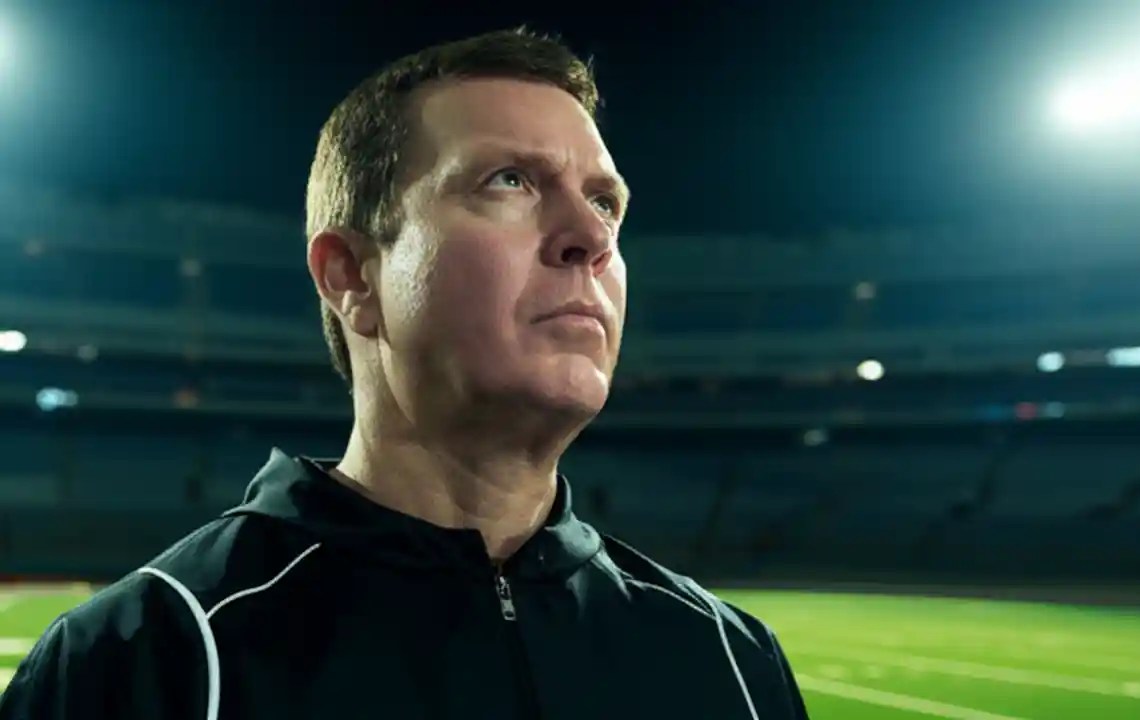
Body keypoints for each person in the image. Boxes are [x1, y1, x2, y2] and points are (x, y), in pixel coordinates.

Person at [0, 28, 809, 719]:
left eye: (605, 202)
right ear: (352, 276)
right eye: (511, 181)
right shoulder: (145, 659)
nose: (587, 238)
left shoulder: (732, 662)